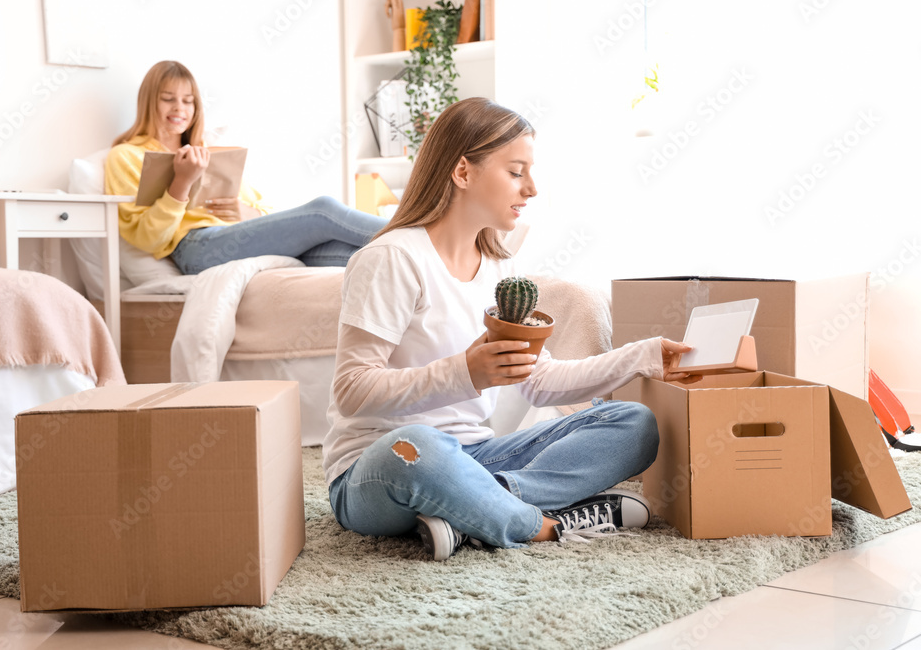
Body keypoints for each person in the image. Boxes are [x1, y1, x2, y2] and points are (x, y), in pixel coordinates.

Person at [321, 97, 703, 561]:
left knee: (632, 423)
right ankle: (532, 524)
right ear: (463, 172)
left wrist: (643, 356)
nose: (532, 189)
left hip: (475, 460)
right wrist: (467, 372)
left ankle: (471, 512)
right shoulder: (392, 258)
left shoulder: (499, 268)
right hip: (384, 466)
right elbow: (352, 391)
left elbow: (539, 381)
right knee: (417, 447)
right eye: (516, 171)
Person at [104, 61, 386, 273]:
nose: (180, 108)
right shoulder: (126, 156)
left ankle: (421, 265)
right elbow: (149, 239)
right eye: (168, 99)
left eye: (188, 101)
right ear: (148, 101)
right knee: (324, 211)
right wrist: (181, 184)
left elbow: (260, 208)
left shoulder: (209, 152)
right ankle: (421, 234)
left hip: (236, 236)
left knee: (349, 253)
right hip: (195, 247)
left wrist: (246, 212)